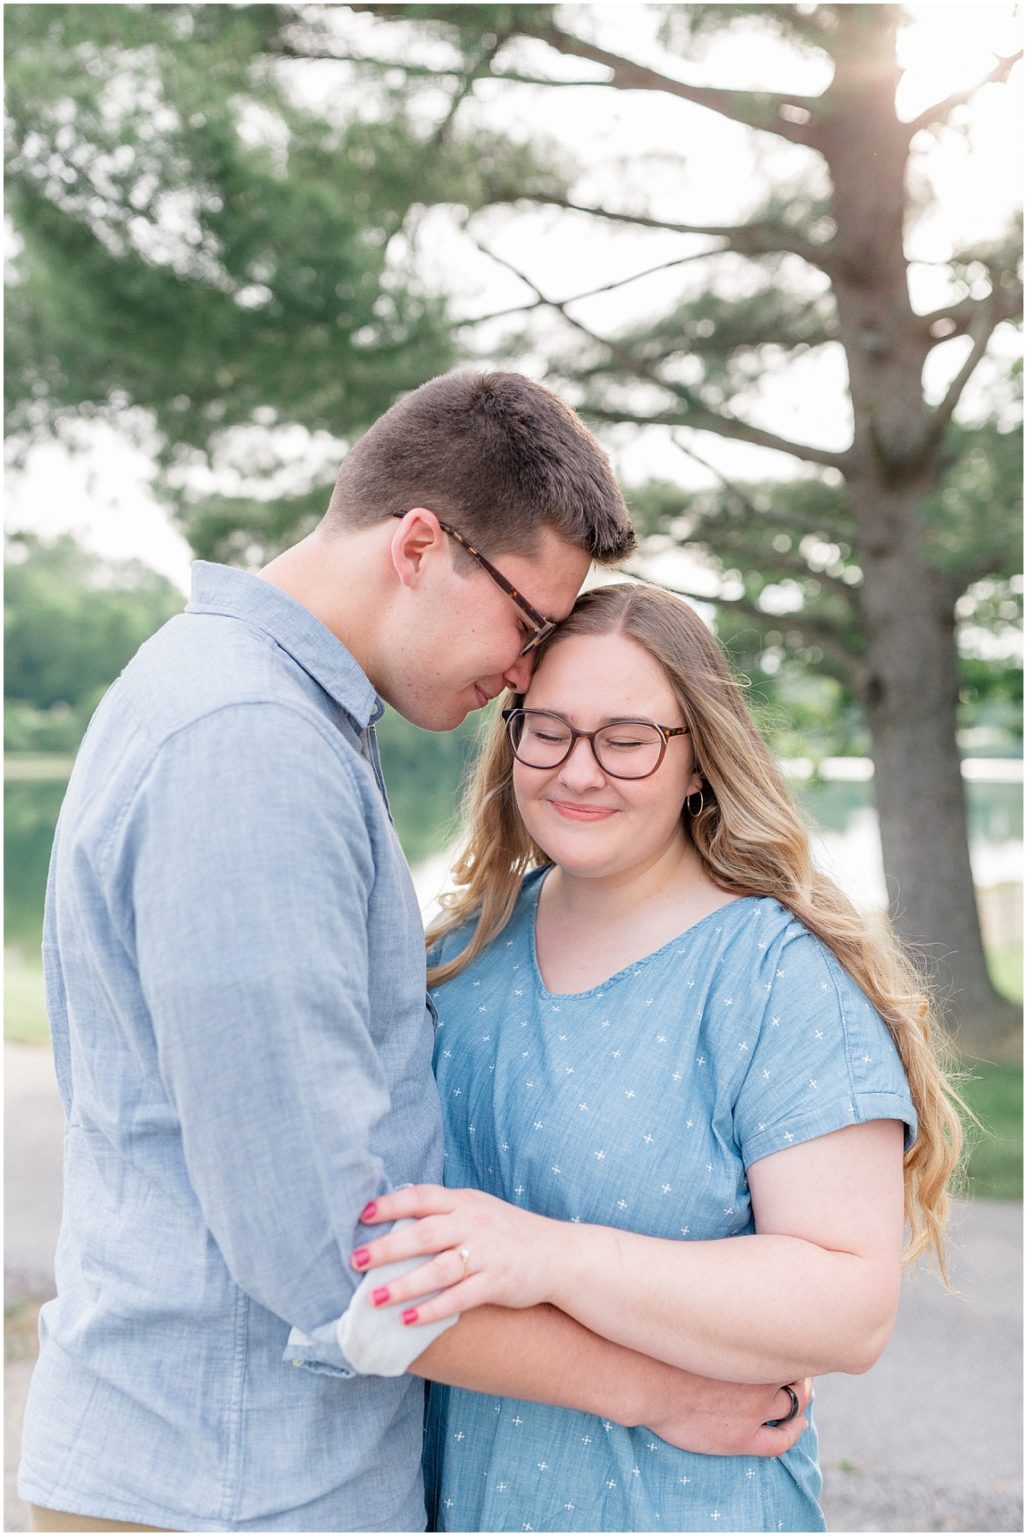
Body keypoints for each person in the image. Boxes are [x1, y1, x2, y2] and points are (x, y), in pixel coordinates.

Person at [18, 372, 812, 1536]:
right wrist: (655, 1392)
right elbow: (326, 1253)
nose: (525, 674)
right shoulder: (252, 745)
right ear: (420, 546)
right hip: (234, 1490)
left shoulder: (251, 703)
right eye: (528, 625)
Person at [349, 581, 964, 1534]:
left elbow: (850, 1308)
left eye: (627, 740)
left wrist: (550, 1256)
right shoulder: (456, 958)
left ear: (697, 762)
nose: (578, 771)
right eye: (547, 730)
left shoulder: (774, 978)